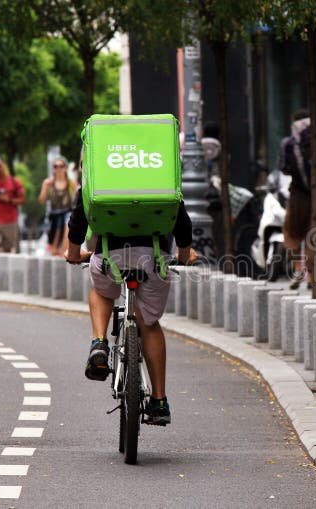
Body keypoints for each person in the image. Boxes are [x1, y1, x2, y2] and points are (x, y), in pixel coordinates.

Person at [65, 149, 198, 426]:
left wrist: (73, 253)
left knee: (102, 292)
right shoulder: (160, 177)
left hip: (109, 255)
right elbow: (182, 221)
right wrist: (185, 255)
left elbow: (78, 220)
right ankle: (159, 401)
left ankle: (99, 342)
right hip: (153, 257)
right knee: (149, 323)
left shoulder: (97, 179)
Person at [278, 109, 316, 290]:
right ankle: (311, 277)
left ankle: (298, 267)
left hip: (298, 195)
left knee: (290, 232)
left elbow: (284, 168)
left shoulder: (289, 143)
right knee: (315, 233)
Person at [38, 156, 77, 255]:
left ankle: (65, 254)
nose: (59, 169)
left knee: (67, 232)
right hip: (54, 215)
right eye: (56, 166)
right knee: (54, 248)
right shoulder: (49, 183)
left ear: (65, 168)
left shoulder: (71, 183)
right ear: (53, 169)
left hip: (67, 213)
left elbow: (79, 199)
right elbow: (41, 201)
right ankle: (58, 265)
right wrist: (45, 188)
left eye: (61, 166)